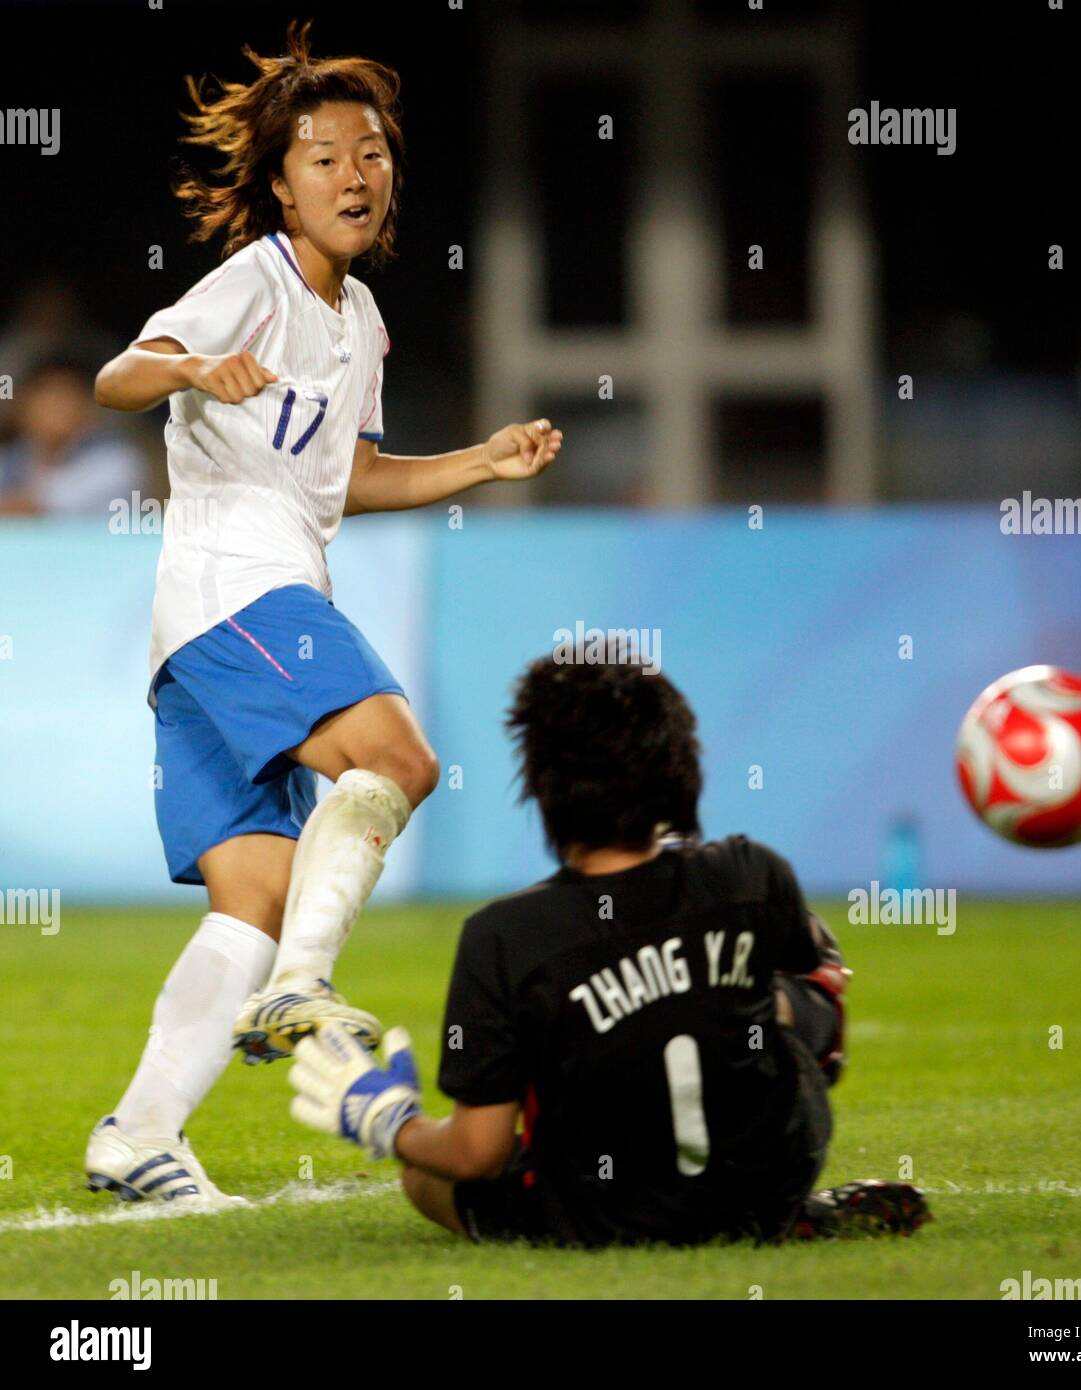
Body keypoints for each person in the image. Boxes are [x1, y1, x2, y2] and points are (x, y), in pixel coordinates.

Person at [83, 20, 562, 1208]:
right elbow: (116, 378)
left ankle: (137, 1135)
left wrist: (480, 463)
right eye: (324, 156)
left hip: (201, 634)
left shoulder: (360, 324)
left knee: (253, 892)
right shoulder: (256, 278)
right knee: (400, 756)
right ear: (280, 185)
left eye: (372, 153)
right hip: (242, 594)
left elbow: (350, 479)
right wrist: (189, 366)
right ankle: (300, 988)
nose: (355, 173)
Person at [289, 655, 930, 1246]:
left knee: (425, 1180)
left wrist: (388, 1120)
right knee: (785, 1006)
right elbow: (826, 1023)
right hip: (767, 1187)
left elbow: (476, 1154)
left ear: (541, 784)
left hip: (596, 1218)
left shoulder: (504, 936)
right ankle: (776, 1211)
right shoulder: (749, 875)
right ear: (681, 766)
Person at [0, 350, 146, 516]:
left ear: (88, 407)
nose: (55, 410)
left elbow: (41, 505)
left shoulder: (118, 461)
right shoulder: (8, 459)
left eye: (65, 398)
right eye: (47, 398)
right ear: (22, 405)